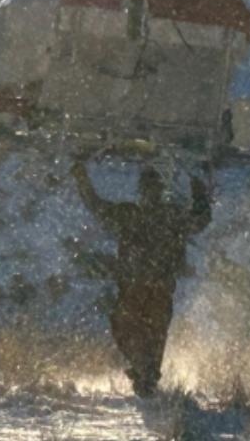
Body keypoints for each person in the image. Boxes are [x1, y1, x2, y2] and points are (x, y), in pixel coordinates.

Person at [71, 159, 213, 398]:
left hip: (136, 286)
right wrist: (198, 184)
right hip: (157, 286)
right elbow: (201, 218)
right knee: (152, 334)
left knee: (130, 330)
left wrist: (81, 176)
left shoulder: (130, 214)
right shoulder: (172, 216)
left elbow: (95, 205)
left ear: (142, 192)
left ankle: (144, 372)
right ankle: (146, 374)